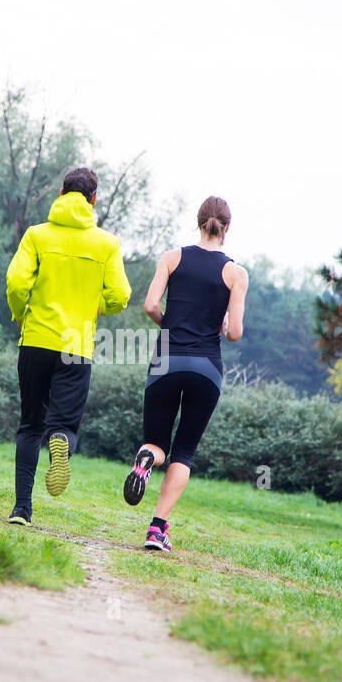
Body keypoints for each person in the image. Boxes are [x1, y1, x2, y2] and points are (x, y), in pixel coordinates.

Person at [4, 167, 132, 526]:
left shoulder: (37, 235)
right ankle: (60, 439)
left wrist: (20, 312)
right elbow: (121, 296)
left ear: (61, 192)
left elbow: (15, 281)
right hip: (76, 344)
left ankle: (21, 510)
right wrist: (96, 307)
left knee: (30, 424)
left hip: (37, 338)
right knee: (63, 424)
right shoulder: (107, 244)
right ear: (94, 199)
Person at [122, 196, 248, 551]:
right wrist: (221, 323)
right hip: (206, 367)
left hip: (166, 359)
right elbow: (235, 332)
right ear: (227, 228)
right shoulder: (236, 273)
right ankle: (157, 529)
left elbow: (149, 305)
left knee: (157, 443)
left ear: (198, 222)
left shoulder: (171, 257)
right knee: (185, 451)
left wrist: (171, 325)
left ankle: (146, 461)